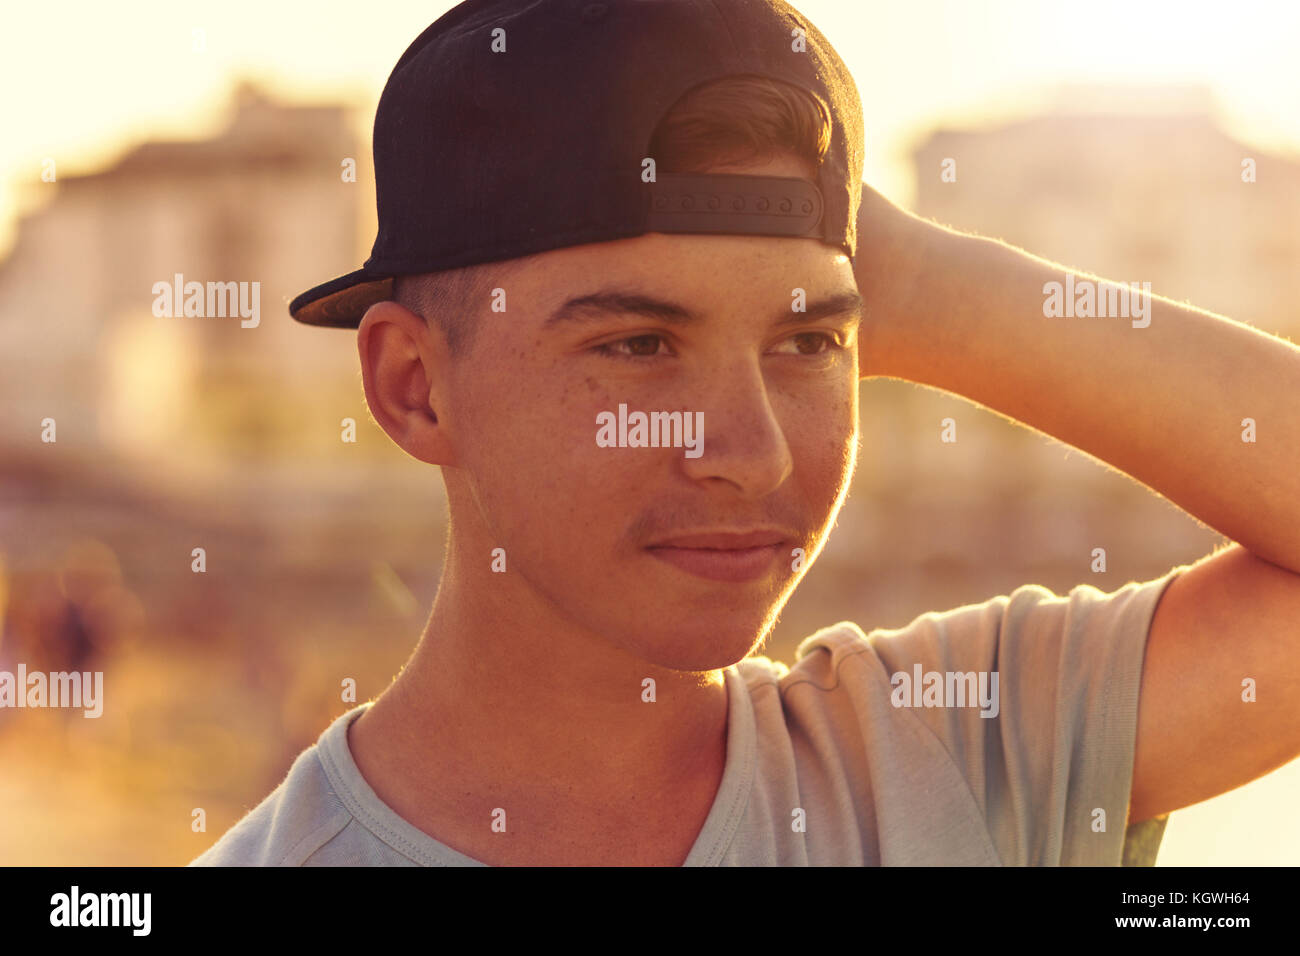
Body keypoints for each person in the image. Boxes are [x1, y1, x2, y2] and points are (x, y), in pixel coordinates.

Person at [191, 0, 1300, 866]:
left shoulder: (950, 753)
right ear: (415, 387)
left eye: (807, 345)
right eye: (638, 344)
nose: (752, 451)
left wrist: (919, 280)